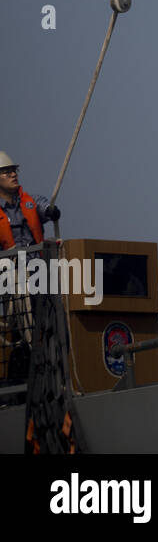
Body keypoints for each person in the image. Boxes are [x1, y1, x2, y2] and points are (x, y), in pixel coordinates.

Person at [0, 151, 59, 388]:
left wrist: (52, 211)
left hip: (39, 276)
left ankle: (44, 379)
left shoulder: (31, 202)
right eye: (6, 171)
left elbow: (46, 207)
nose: (13, 174)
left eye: (14, 170)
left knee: (44, 330)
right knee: (23, 333)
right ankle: (20, 383)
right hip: (14, 282)